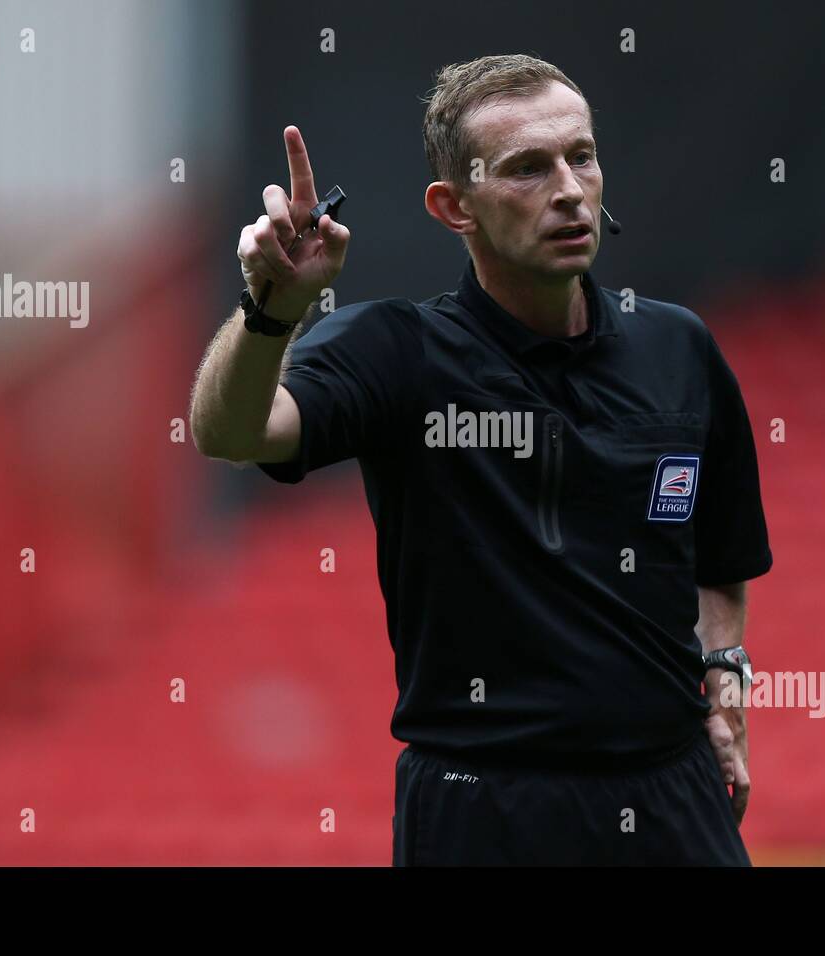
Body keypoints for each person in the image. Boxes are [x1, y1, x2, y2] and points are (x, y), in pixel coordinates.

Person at [189, 54, 771, 865]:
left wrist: (723, 677)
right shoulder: (395, 352)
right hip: (481, 811)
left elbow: (719, 557)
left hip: (672, 799)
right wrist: (269, 311)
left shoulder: (679, 347)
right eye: (529, 168)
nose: (570, 188)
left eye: (583, 155)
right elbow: (231, 433)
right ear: (453, 206)